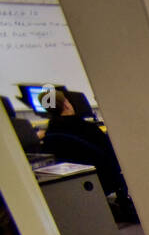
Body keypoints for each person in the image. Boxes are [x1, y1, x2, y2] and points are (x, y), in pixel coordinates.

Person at [42, 89, 134, 222]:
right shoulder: (88, 129)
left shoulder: (50, 133)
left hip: (73, 181)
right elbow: (112, 155)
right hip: (104, 178)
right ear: (67, 105)